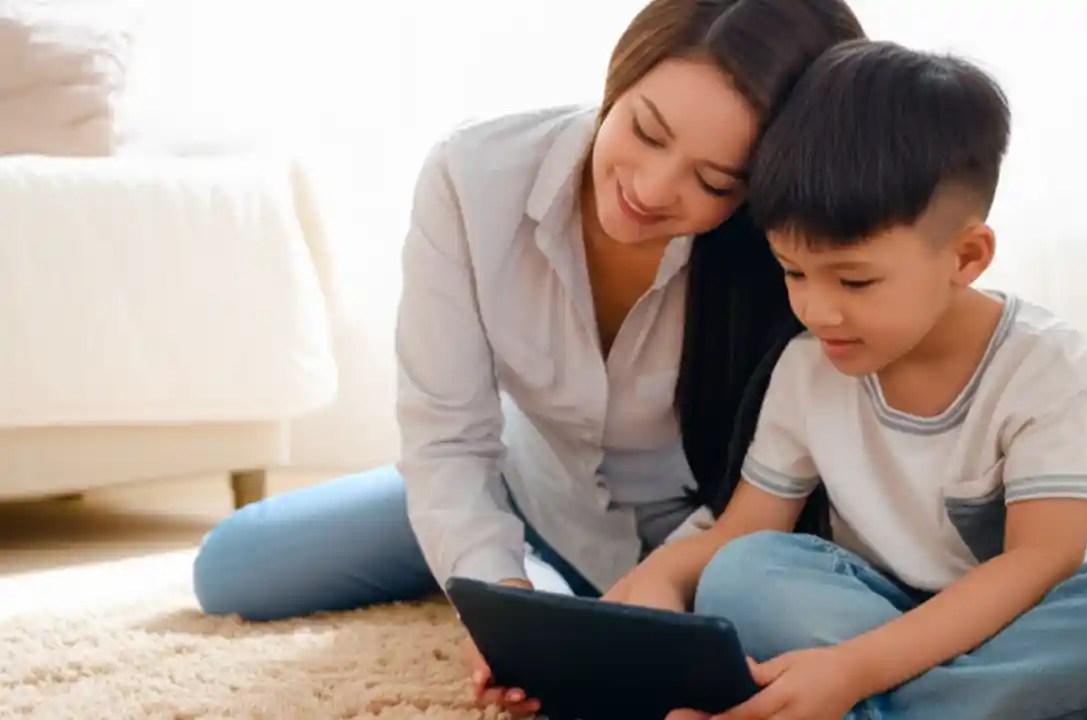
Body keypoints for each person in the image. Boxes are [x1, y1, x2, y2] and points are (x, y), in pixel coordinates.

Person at [192, 0, 865, 716]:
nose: (652, 189)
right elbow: (447, 437)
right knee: (234, 569)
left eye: (714, 182)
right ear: (621, 74)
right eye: (645, 129)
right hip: (527, 483)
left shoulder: (782, 252)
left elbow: (767, 492)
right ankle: (461, 535)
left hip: (695, 542)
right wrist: (500, 592)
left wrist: (656, 590)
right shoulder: (473, 174)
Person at [608, 40, 1087, 720]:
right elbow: (743, 532)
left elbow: (1038, 564)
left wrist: (852, 671)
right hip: (876, 613)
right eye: (792, 271)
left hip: (1040, 622)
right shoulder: (807, 368)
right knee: (744, 575)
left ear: (966, 256)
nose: (817, 310)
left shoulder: (1046, 365)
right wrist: (657, 579)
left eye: (855, 280)